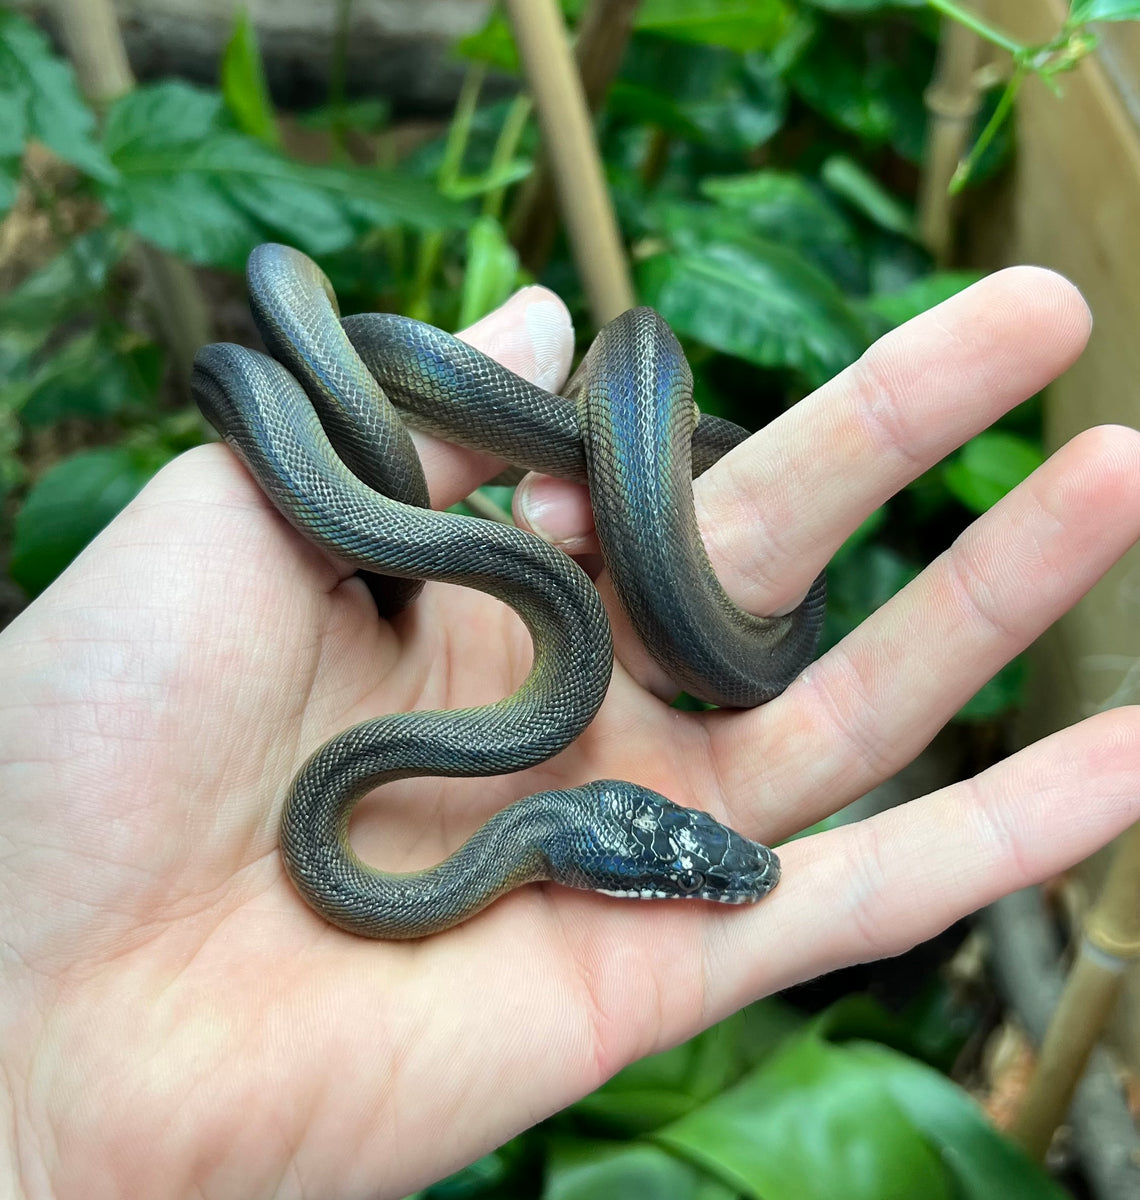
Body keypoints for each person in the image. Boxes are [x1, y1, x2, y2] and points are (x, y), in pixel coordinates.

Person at [1, 267, 1137, 1200]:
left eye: (664, 881)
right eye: (663, 883)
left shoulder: (529, 719)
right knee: (394, 412)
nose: (678, 888)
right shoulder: (500, 738)